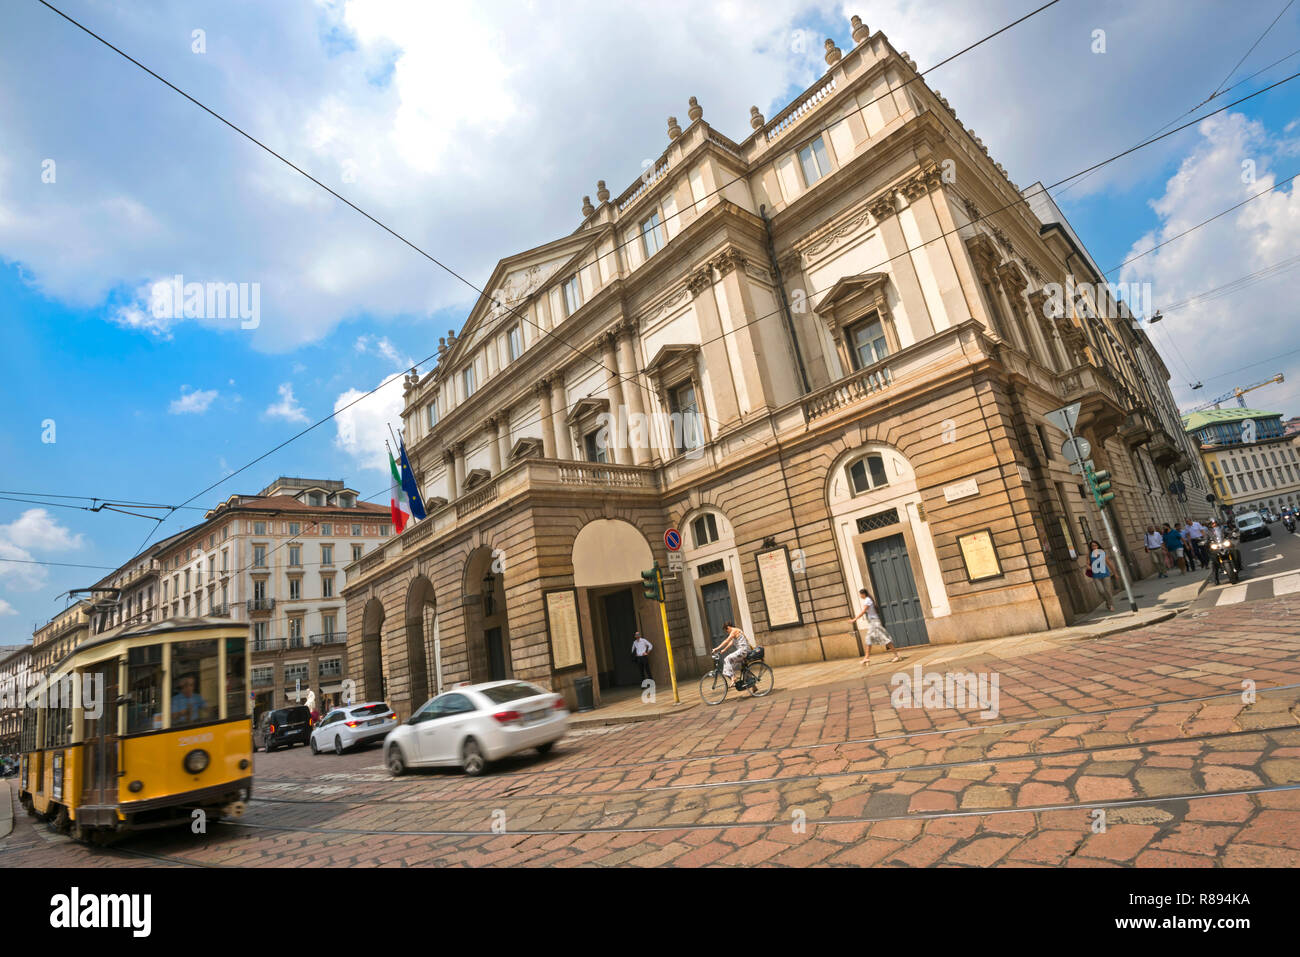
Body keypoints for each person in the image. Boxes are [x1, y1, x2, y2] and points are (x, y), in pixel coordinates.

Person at [852, 587, 902, 666]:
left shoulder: (867, 600)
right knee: (869, 639)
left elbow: (864, 611)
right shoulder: (867, 600)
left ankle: (896, 655)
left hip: (875, 623)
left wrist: (855, 619)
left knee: (884, 638)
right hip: (873, 623)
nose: (860, 596)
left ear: (863, 594)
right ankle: (866, 657)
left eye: (860, 594)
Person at [712, 621, 754, 690]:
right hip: (745, 650)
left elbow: (726, 641)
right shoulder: (737, 630)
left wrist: (716, 649)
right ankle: (754, 687)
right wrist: (724, 650)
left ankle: (733, 677)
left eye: (726, 631)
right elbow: (731, 643)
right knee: (742, 668)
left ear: (728, 628)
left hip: (743, 651)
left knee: (727, 659)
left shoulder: (734, 631)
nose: (727, 633)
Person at [1086, 540, 1117, 611]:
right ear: (1091, 547)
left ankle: (1110, 605)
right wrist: (1089, 567)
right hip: (1096, 575)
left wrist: (1115, 573)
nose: (1094, 547)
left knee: (1108, 590)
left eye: (1095, 545)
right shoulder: (1089, 554)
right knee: (1101, 591)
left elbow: (1109, 563)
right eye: (1092, 546)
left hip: (1105, 574)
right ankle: (1107, 601)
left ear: (1098, 545)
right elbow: (1087, 564)